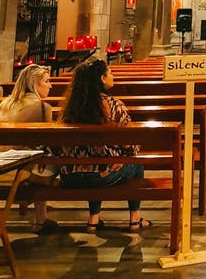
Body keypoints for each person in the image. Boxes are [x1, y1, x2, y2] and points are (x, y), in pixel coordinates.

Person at [59, 58, 152, 233]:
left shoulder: (71, 108)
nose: (113, 75)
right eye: (110, 72)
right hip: (100, 175)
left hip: (70, 175)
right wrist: (122, 156)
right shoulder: (114, 105)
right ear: (102, 78)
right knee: (135, 162)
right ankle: (135, 218)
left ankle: (93, 218)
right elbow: (130, 144)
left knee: (92, 161)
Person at [0, 64, 59, 234]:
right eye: (47, 81)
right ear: (35, 84)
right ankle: (40, 219)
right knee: (48, 161)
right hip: (19, 168)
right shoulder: (42, 107)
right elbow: (46, 143)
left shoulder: (5, 104)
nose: (50, 85)